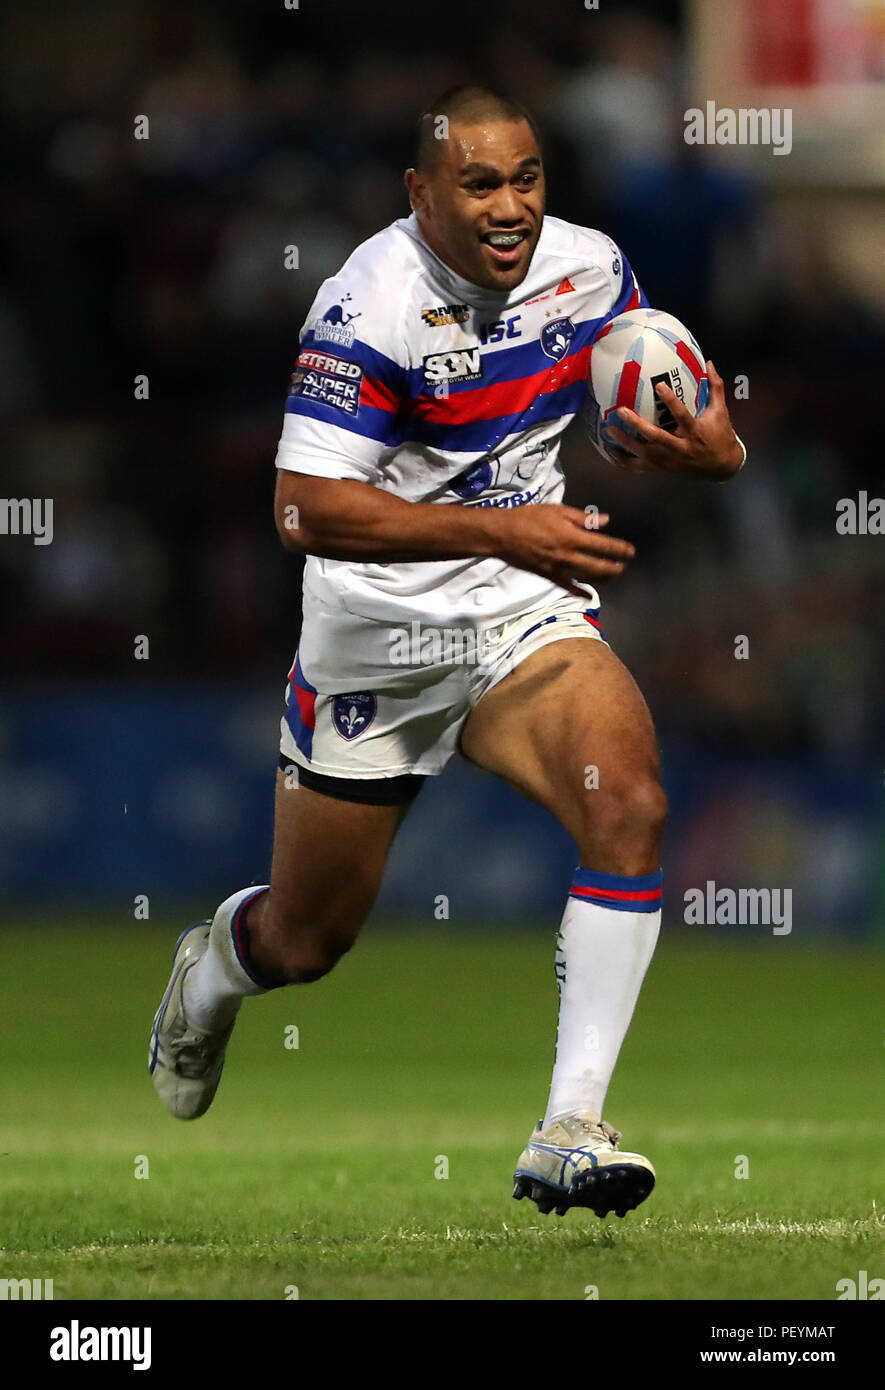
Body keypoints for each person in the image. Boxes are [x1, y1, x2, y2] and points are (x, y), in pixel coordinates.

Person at [149, 86, 744, 1219]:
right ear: (422, 194)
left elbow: (657, 395)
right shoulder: (368, 303)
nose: (511, 205)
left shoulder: (593, 269)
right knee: (307, 938)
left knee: (629, 803)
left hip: (525, 614)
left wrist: (711, 449)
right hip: (377, 635)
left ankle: (571, 1126)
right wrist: (504, 525)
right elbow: (303, 510)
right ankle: (216, 966)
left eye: (526, 178)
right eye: (480, 183)